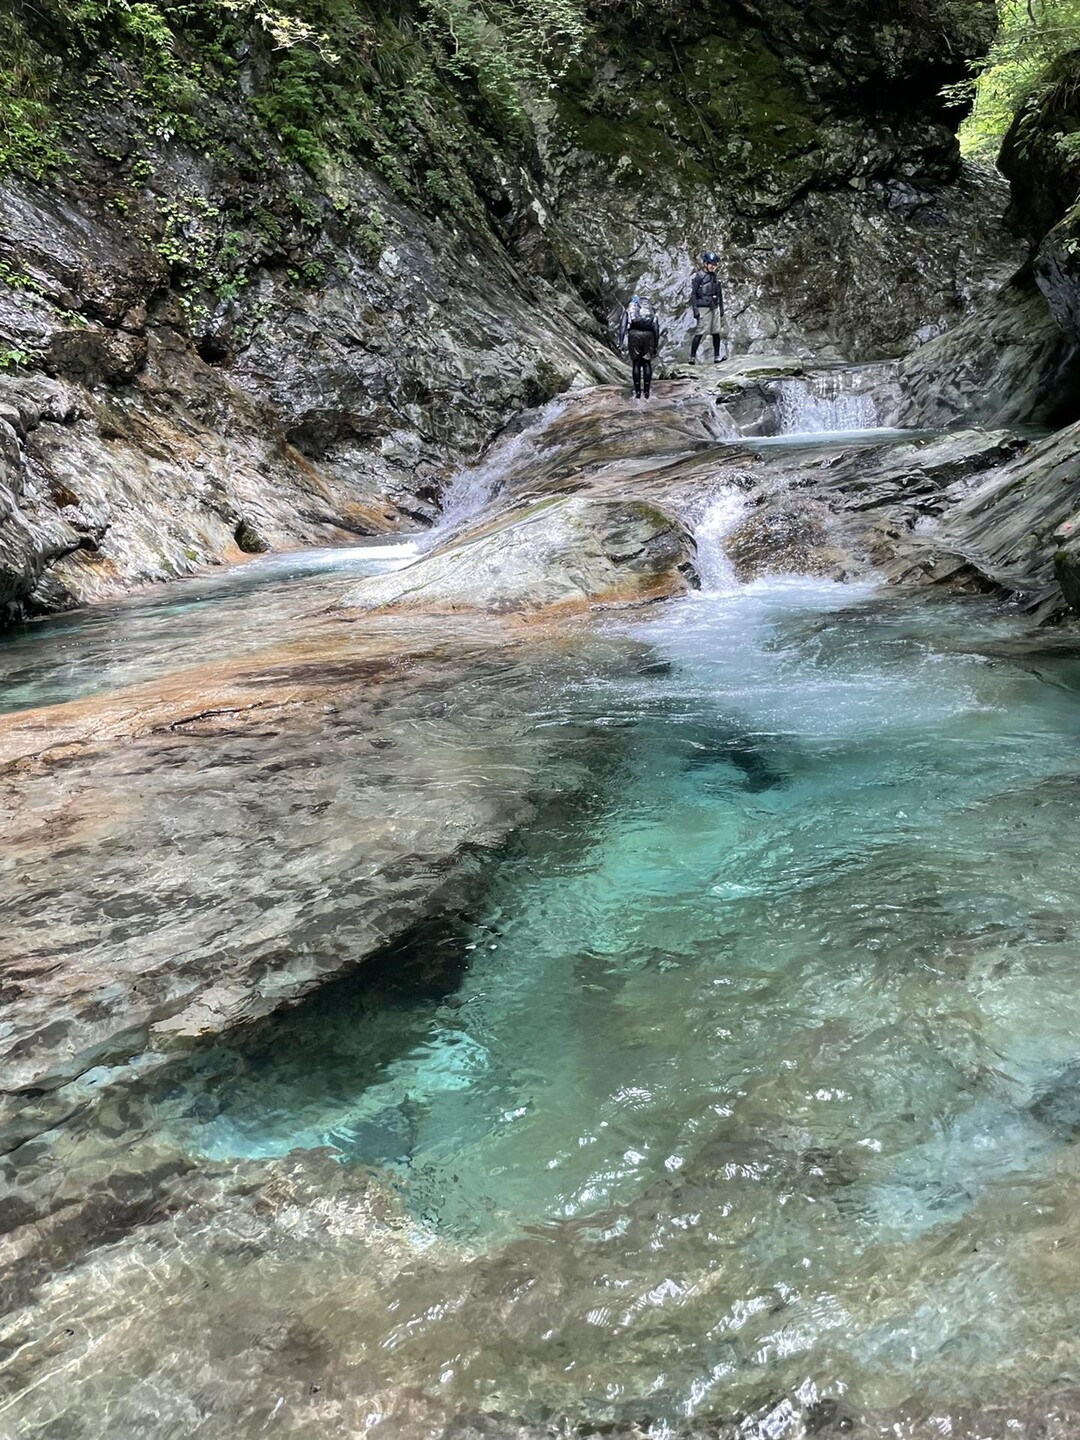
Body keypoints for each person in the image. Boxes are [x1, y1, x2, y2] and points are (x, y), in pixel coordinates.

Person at [619, 294, 661, 400]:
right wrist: (655, 345)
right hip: (649, 335)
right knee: (647, 363)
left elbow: (623, 326)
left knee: (636, 364)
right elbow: (656, 328)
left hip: (634, 335)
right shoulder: (651, 310)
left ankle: (637, 392)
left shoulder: (630, 309)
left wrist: (621, 342)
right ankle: (647, 392)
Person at [689, 250, 725, 364]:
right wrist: (695, 309)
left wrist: (721, 307)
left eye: (714, 264)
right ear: (705, 263)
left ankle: (717, 356)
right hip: (703, 306)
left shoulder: (714, 276)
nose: (713, 267)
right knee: (700, 331)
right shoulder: (699, 276)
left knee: (716, 332)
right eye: (711, 264)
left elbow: (719, 292)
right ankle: (692, 357)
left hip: (714, 306)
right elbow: (693, 294)